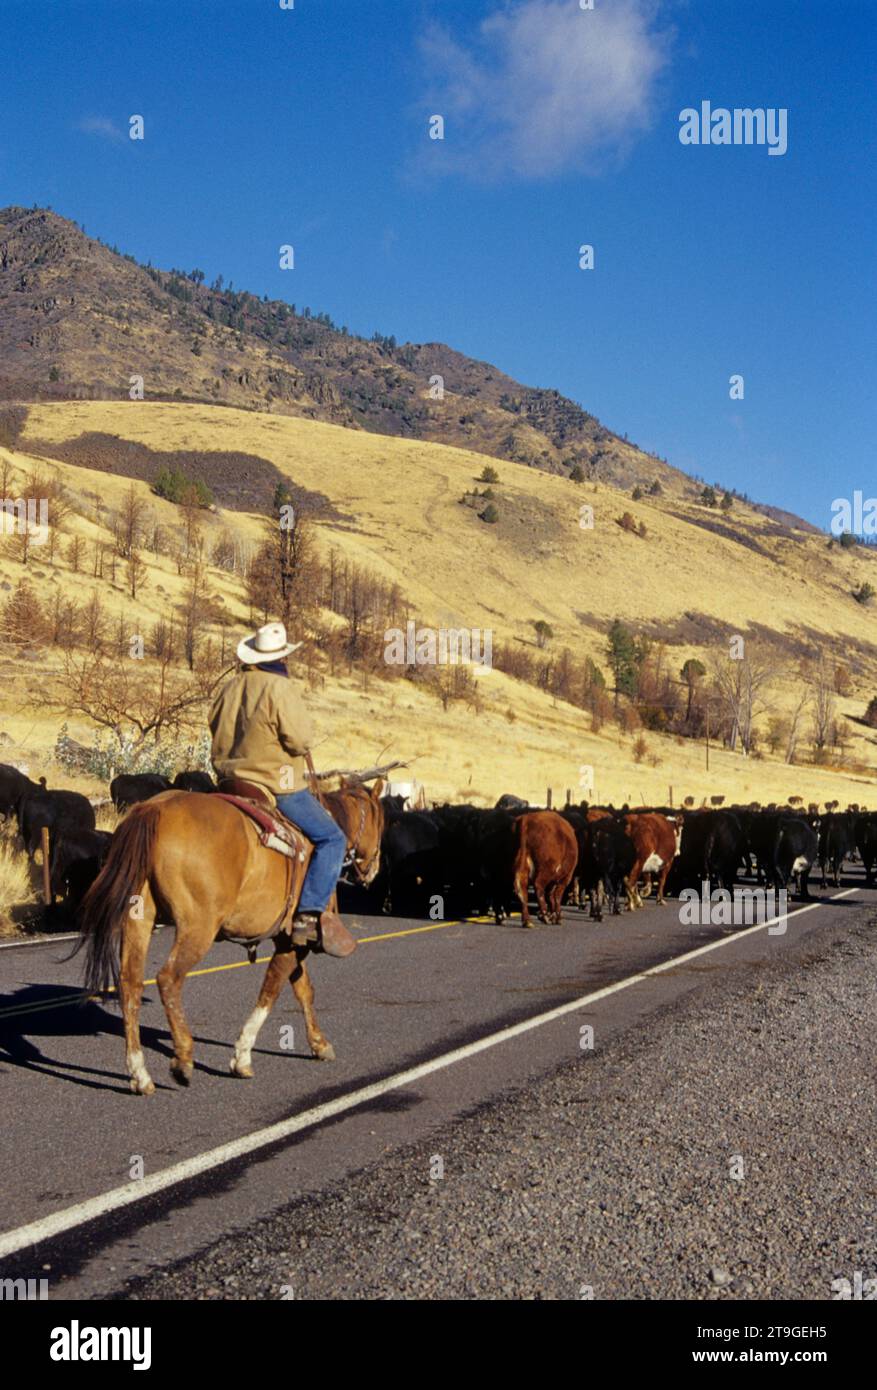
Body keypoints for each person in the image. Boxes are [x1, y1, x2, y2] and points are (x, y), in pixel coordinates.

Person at [209, 621, 356, 957]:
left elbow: (214, 725)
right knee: (332, 839)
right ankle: (308, 914)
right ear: (281, 657)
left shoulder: (228, 688)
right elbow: (301, 739)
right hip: (276, 785)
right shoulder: (280, 687)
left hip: (228, 783)